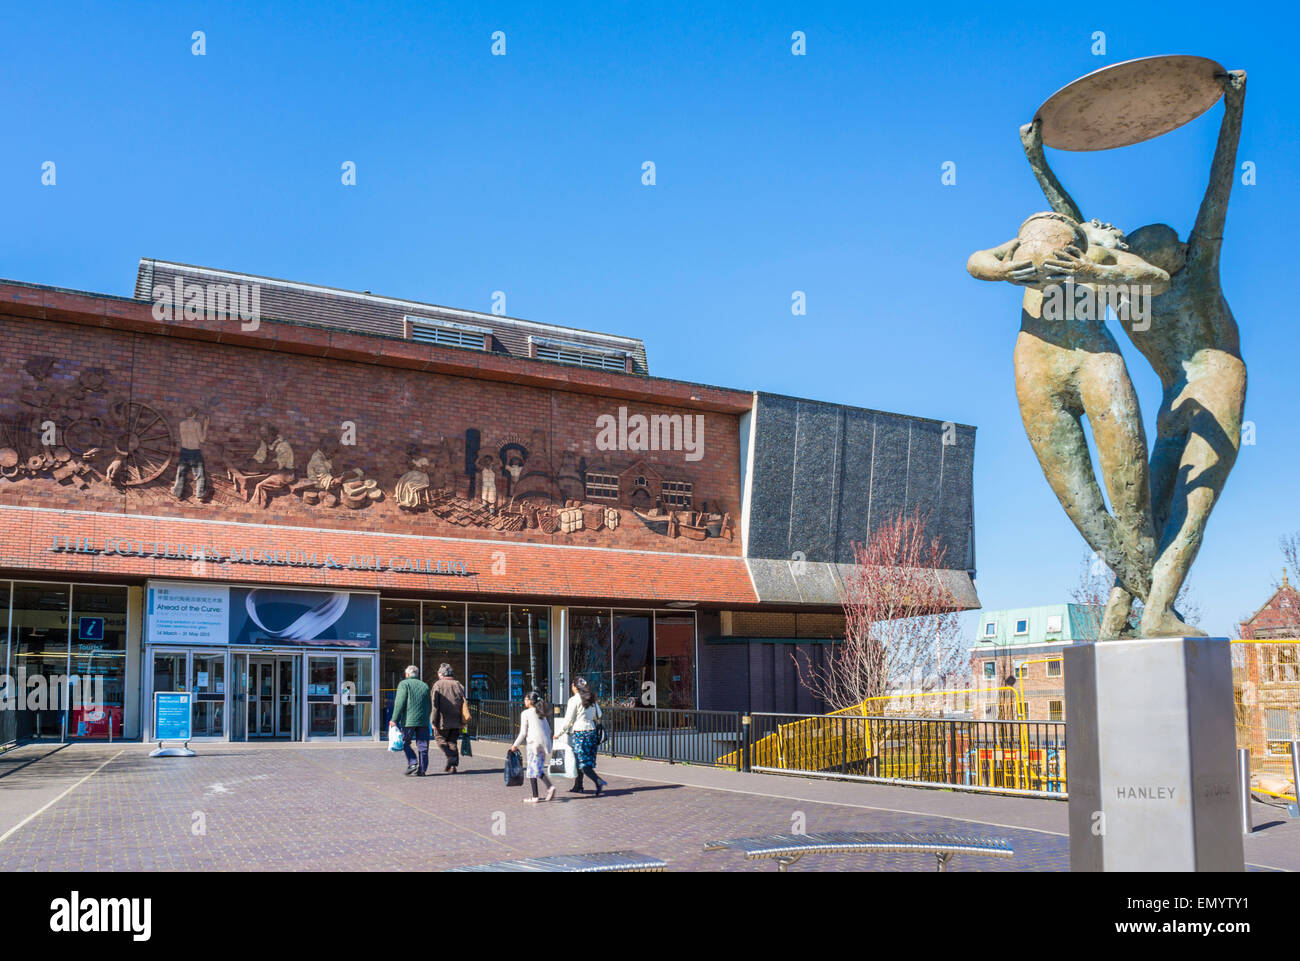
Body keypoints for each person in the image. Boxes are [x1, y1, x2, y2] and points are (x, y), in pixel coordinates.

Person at [1019, 72, 1248, 638]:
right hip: (1211, 390)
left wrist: (1038, 161)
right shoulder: (1187, 274)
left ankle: (1125, 618)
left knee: (1151, 515)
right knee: (1182, 513)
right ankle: (1151, 617)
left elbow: (1074, 228)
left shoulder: (1133, 296)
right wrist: (1234, 109)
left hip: (1179, 400)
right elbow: (1216, 188)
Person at [554, 677, 606, 796]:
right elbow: (599, 714)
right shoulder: (591, 699)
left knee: (581, 762)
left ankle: (598, 781)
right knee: (582, 761)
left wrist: (558, 733)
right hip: (592, 732)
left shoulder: (574, 700)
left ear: (574, 686)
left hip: (580, 733)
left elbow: (568, 720)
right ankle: (578, 786)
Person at [509, 691, 555, 803]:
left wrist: (515, 745)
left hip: (533, 744)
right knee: (537, 768)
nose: (524, 701)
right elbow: (549, 730)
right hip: (544, 744)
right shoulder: (541, 713)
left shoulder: (526, 713)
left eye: (525, 699)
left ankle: (535, 796)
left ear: (530, 701)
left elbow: (523, 733)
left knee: (531, 769)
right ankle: (549, 786)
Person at [389, 665, 431, 777]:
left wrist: (394, 719)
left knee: (405, 742)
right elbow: (429, 704)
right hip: (423, 721)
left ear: (407, 674)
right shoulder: (425, 686)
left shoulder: (404, 684)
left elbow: (399, 703)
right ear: (417, 674)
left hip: (408, 721)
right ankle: (422, 770)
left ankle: (412, 762)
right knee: (423, 745)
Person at [431, 662, 468, 773]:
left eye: (438, 673)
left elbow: (435, 705)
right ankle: (452, 766)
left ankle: (451, 756)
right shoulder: (459, 685)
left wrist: (433, 721)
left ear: (442, 674)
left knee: (440, 740)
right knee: (452, 742)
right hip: (457, 720)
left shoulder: (438, 685)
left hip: (443, 720)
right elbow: (464, 703)